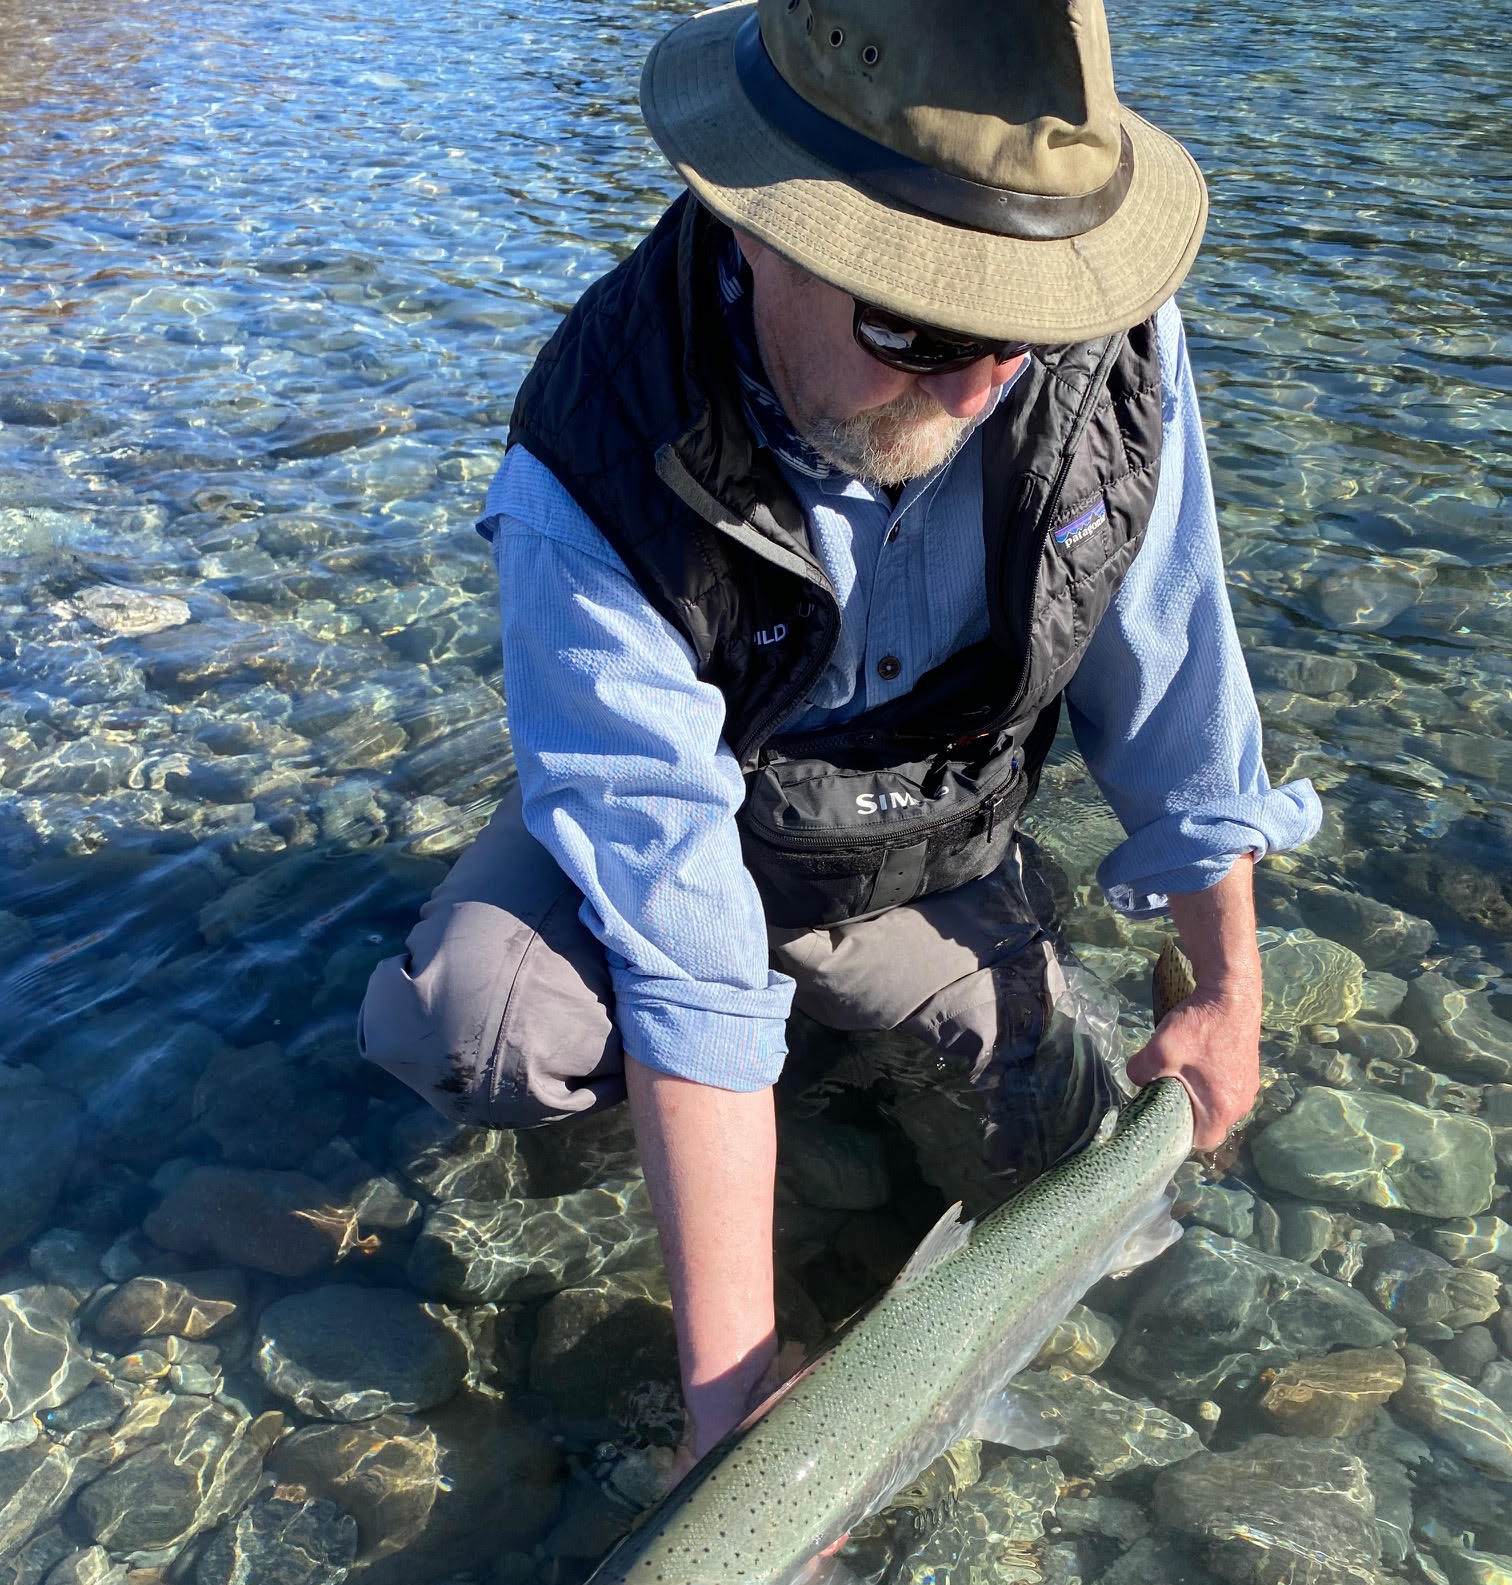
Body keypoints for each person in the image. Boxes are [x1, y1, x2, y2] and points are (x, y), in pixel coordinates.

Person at [361, 0, 1319, 1476]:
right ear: (755, 229)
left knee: (1065, 1147)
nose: (983, 384)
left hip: (925, 840)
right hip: (702, 815)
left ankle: (851, 1021)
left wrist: (1229, 988)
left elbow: (1179, 679)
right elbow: (683, 945)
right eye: (916, 324)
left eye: (1023, 329)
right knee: (475, 1030)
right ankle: (720, 1062)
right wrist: (731, 1408)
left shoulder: (1108, 346)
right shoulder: (595, 462)